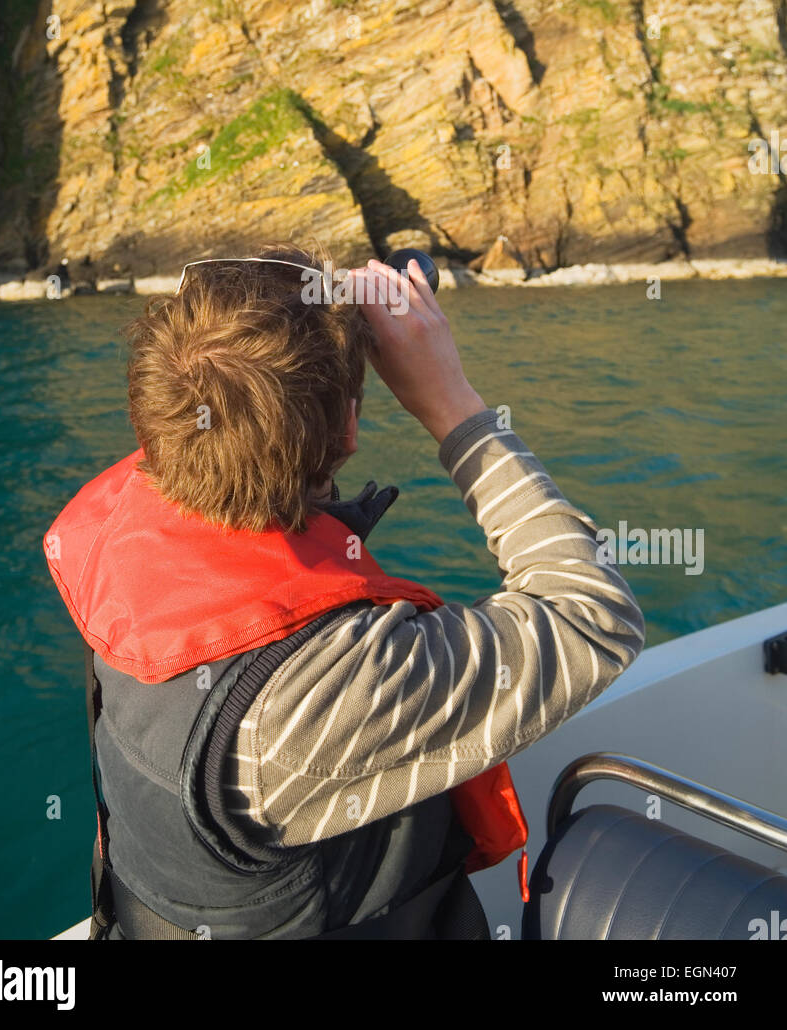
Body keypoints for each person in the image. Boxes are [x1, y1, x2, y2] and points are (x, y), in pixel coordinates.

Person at [44, 241, 644, 940]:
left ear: (153, 410)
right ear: (350, 430)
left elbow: (228, 399)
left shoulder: (119, 543)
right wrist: (450, 401)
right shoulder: (333, 687)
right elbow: (592, 616)